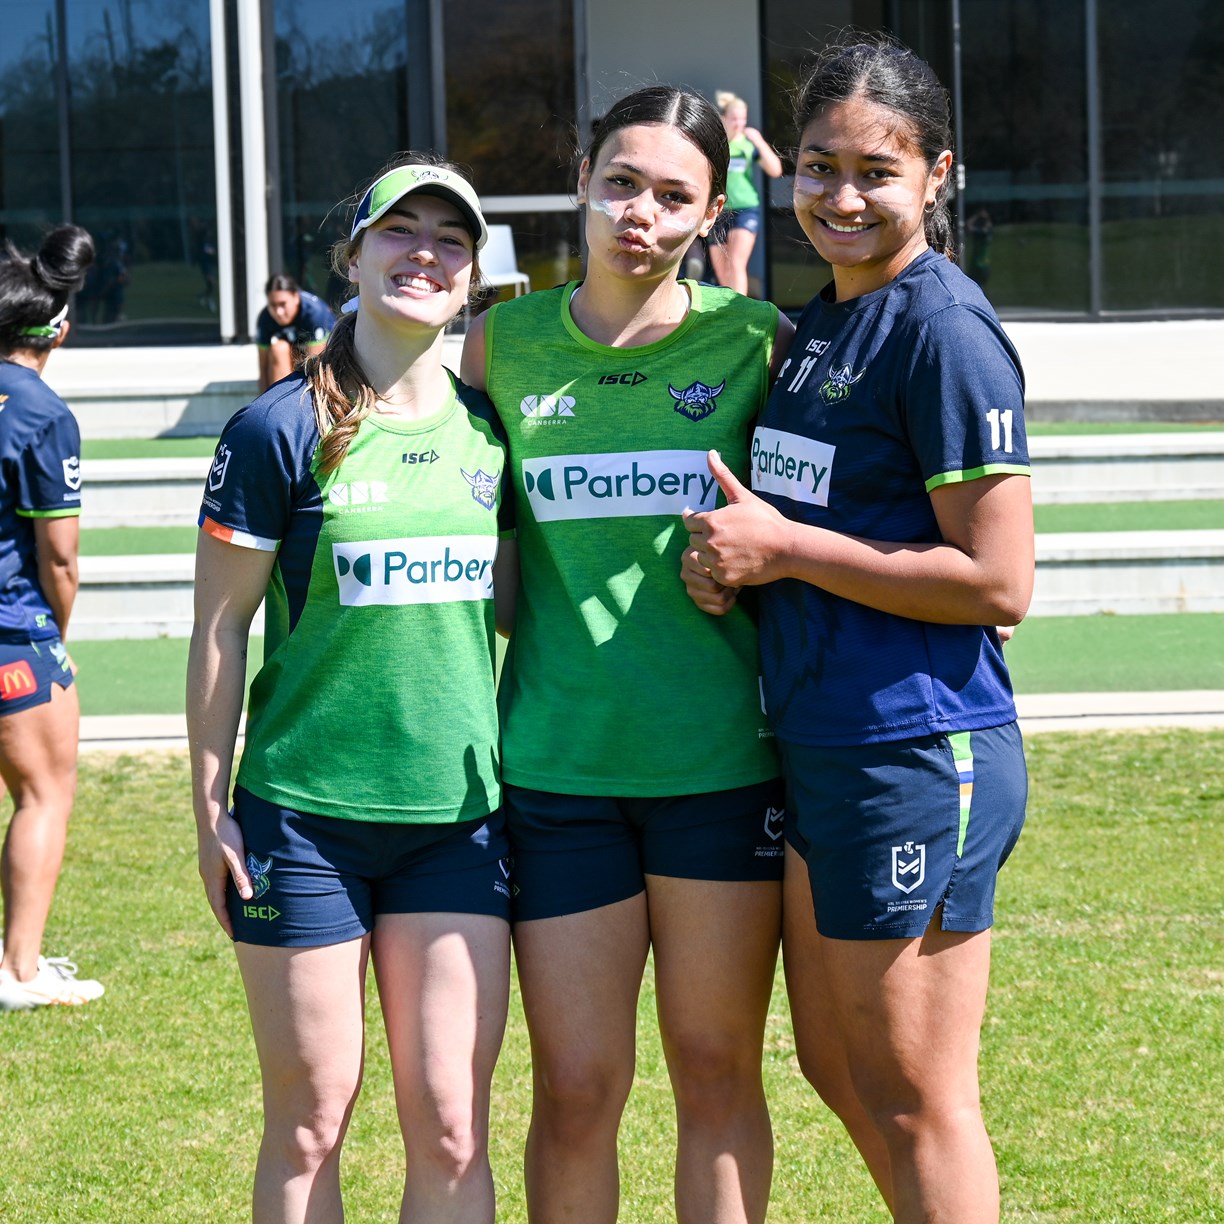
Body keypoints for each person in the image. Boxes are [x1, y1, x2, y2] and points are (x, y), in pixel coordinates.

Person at [683, 35, 1034, 1223]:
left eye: (876, 170)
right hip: (822, 743)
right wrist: (741, 566)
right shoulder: (821, 326)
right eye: (820, 165)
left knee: (917, 1094)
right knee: (841, 1070)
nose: (841, 195)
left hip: (917, 747)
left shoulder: (943, 330)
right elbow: (813, 522)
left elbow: (998, 579)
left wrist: (785, 552)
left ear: (937, 174)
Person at [462, 85, 795, 1224]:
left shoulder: (758, 343)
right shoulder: (498, 344)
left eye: (671, 196)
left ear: (712, 215)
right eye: (620, 183)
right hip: (559, 773)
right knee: (577, 1085)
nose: (638, 214)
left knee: (714, 1072)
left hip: (719, 767)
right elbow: (475, 541)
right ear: (582, 183)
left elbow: (802, 531)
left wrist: (757, 564)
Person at [188, 155, 516, 1223]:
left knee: (455, 1125)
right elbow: (222, 626)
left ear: (472, 279)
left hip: (457, 825)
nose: (424, 253)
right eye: (400, 232)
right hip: (303, 824)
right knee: (311, 1117)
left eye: (450, 240)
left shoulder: (490, 433)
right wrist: (209, 811)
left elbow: (520, 609)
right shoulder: (275, 429)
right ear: (354, 256)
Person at [0, 224, 103, 1012]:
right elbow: (59, 560)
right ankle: (21, 969)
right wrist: (52, 640)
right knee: (43, 793)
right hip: (12, 631)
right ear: (59, 328)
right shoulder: (43, 413)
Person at [706, 92, 783, 297]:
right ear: (724, 118)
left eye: (743, 118)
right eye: (735, 118)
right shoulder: (717, 144)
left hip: (745, 208)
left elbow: (775, 170)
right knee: (722, 270)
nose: (739, 123)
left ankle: (739, 313)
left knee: (736, 263)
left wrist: (759, 141)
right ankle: (728, 308)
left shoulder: (749, 145)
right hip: (718, 210)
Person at [254, 274, 336, 391]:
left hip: (328, 362)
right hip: (296, 359)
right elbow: (263, 367)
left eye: (283, 304)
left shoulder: (315, 313)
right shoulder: (265, 318)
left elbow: (316, 367)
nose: (279, 312)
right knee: (279, 348)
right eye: (273, 305)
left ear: (296, 297)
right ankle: (278, 403)